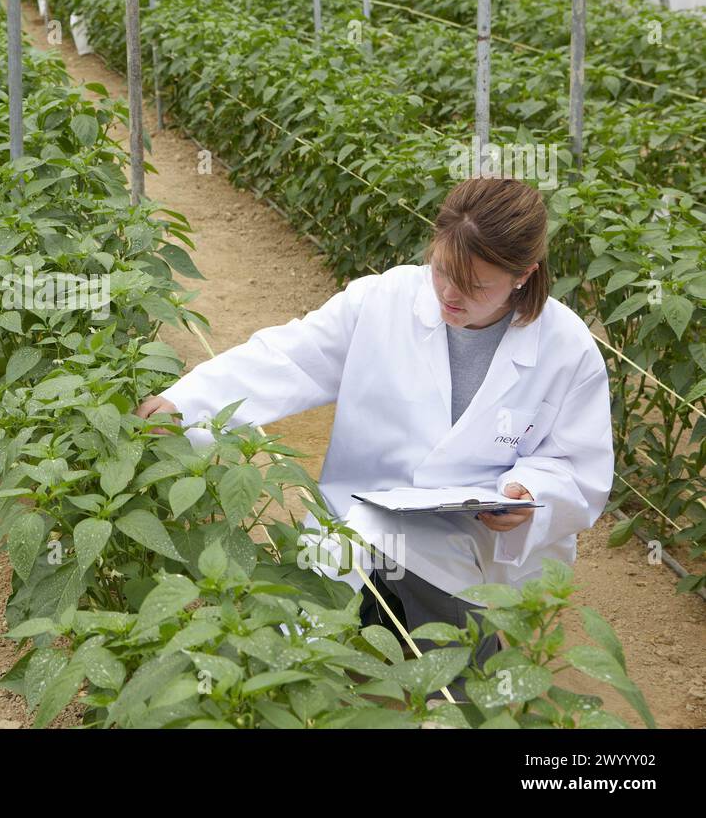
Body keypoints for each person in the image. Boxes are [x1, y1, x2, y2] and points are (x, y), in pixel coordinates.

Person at [134, 176, 615, 671]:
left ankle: (459, 670)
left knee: (457, 665)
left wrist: (529, 492)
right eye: (442, 270)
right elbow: (288, 357)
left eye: (475, 286)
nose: (450, 294)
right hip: (362, 516)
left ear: (523, 275)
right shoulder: (384, 302)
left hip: (478, 539)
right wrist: (186, 402)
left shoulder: (567, 349)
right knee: (303, 645)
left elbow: (576, 466)